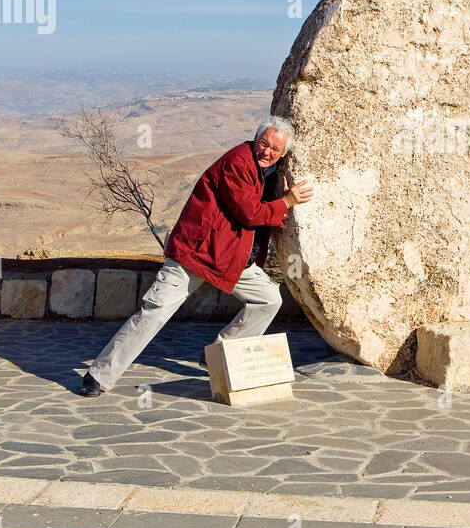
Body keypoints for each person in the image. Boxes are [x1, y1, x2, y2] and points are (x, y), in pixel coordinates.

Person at [79, 116, 314, 395]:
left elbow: (261, 214)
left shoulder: (271, 174)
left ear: (283, 154)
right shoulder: (238, 162)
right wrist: (287, 202)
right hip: (195, 253)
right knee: (155, 311)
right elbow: (250, 214)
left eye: (275, 149)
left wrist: (279, 202)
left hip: (231, 257)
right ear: (255, 138)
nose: (267, 152)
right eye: (264, 144)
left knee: (268, 299)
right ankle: (99, 375)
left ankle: (216, 353)